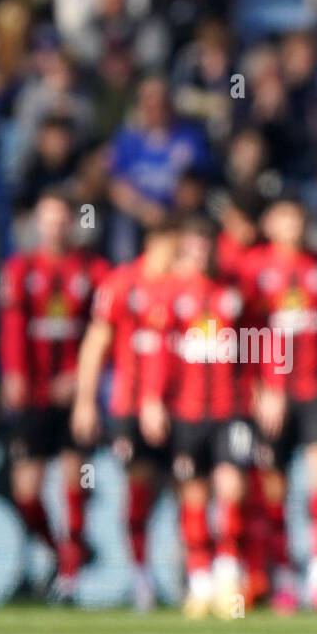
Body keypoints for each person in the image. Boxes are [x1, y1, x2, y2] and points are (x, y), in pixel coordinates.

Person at [238, 199, 317, 611]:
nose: (293, 223)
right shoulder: (253, 269)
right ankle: (284, 575)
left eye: (298, 214)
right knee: (274, 489)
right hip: (272, 396)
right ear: (268, 223)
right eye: (284, 215)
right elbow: (245, 332)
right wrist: (260, 390)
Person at [0, 192, 110, 603]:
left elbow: (105, 333)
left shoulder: (93, 271)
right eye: (46, 219)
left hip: (75, 395)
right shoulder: (20, 270)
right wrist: (12, 375)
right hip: (33, 395)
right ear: (36, 226)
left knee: (74, 480)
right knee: (27, 492)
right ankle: (58, 550)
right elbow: (12, 328)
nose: (54, 227)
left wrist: (82, 382)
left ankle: (71, 576)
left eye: (62, 219)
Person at [142, 217, 252, 619]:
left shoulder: (232, 292)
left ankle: (228, 576)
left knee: (232, 487)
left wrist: (264, 385)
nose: (201, 249)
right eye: (194, 241)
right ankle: (200, 582)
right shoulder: (170, 294)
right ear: (185, 246)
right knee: (193, 495)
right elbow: (157, 351)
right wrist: (152, 399)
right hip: (186, 412)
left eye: (208, 241)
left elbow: (257, 340)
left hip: (230, 410)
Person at [72, 223, 179, 610]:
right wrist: (85, 400)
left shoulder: (185, 286)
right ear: (154, 244)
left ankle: (192, 574)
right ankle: (142, 577)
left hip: (182, 406)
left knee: (188, 489)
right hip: (130, 407)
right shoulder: (121, 285)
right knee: (140, 489)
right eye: (174, 247)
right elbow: (97, 341)